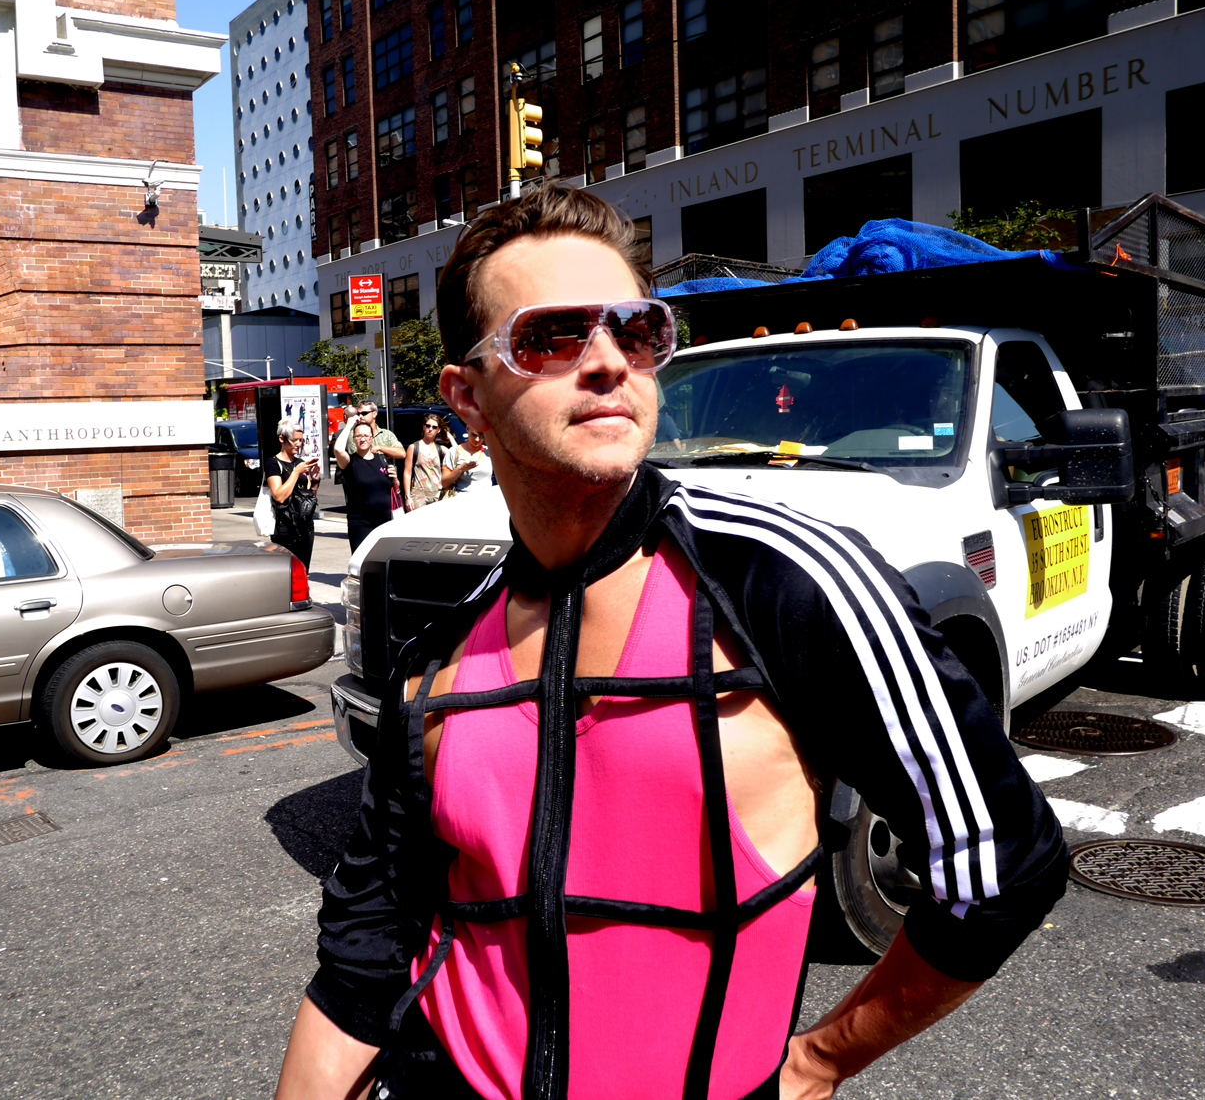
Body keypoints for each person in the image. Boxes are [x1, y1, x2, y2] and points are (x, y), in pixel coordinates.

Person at [275, 184, 1066, 1100]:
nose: (608, 361)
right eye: (551, 336)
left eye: (636, 329)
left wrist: (818, 1061)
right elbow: (365, 953)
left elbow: (1006, 862)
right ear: (467, 397)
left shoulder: (788, 582)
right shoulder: (440, 657)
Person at [333, 415, 400, 552]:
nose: (362, 439)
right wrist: (349, 424)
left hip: (384, 521)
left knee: (382, 561)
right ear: (353, 439)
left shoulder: (382, 459)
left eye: (366, 436)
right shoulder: (350, 462)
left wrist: (395, 481)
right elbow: (338, 450)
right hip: (360, 523)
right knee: (362, 562)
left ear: (372, 438)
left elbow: (392, 489)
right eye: (358, 436)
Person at [265, 417, 318, 567]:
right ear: (282, 438)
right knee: (286, 572)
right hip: (285, 527)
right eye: (294, 440)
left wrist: (314, 481)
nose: (298, 444)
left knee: (303, 571)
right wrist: (296, 473)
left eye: (301, 440)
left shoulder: (300, 462)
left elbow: (309, 498)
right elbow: (279, 496)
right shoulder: (273, 464)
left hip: (305, 527)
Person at [402, 414, 446, 511]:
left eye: (434, 427)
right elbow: (407, 473)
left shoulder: (441, 449)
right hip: (418, 495)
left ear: (438, 430)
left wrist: (448, 436)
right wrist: (408, 497)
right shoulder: (413, 447)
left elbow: (457, 454)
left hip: (437, 495)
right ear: (423, 427)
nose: (430, 429)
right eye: (428, 426)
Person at [338, 400, 404, 462]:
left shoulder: (386, 434)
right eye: (358, 413)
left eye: (364, 413)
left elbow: (402, 453)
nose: (360, 416)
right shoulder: (354, 435)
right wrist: (388, 454)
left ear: (374, 414)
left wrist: (379, 447)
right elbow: (360, 458)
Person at [442, 428, 493, 495]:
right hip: (462, 499)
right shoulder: (454, 452)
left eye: (481, 435)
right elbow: (444, 483)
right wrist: (460, 469)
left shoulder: (490, 453)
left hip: (486, 498)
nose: (477, 439)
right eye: (474, 435)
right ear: (468, 429)